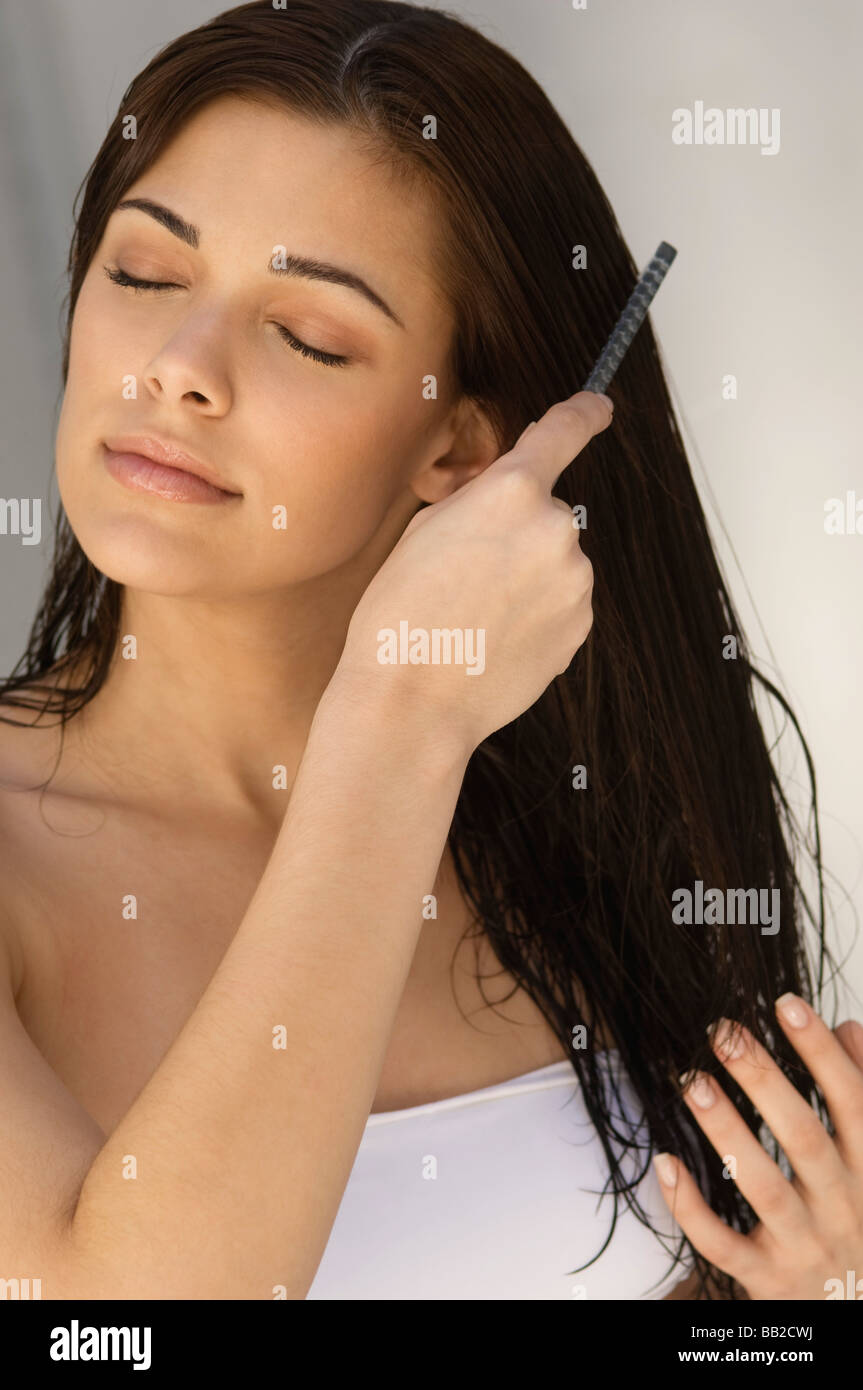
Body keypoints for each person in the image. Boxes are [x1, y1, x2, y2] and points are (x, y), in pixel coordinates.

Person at [1, 0, 860, 1301]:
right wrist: (396, 721)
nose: (178, 368)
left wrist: (792, 1303)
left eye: (308, 334)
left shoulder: (581, 825)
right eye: (145, 273)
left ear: (463, 449)